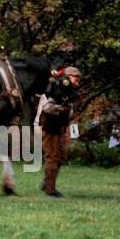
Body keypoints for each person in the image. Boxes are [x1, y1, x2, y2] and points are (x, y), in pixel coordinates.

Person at [37, 65, 81, 198]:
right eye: (75, 78)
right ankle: (50, 189)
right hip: (50, 127)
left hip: (59, 127)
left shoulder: (67, 91)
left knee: (61, 156)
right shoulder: (56, 89)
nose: (77, 82)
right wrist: (61, 108)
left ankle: (46, 182)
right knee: (52, 157)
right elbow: (46, 108)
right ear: (68, 76)